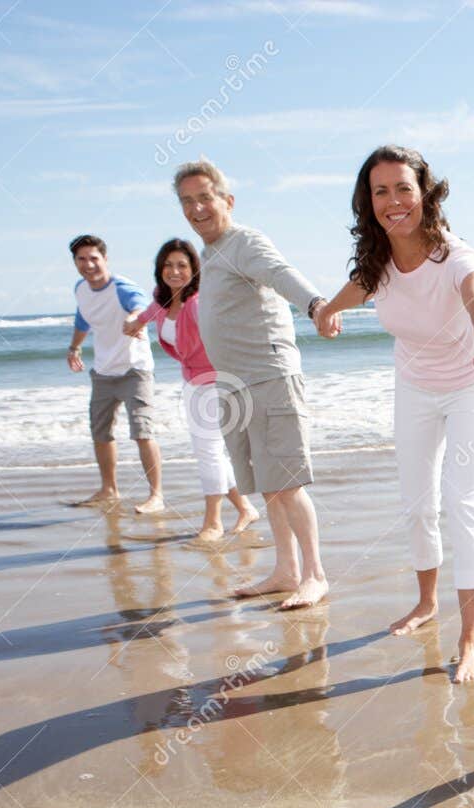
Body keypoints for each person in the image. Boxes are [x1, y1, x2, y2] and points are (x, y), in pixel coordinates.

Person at [317, 145, 474, 682]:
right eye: (380, 191)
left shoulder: (458, 256)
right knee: (418, 502)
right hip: (414, 388)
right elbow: (364, 284)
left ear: (425, 194)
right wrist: (328, 308)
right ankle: (426, 602)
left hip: (469, 385)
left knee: (463, 503)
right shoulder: (379, 260)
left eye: (403, 188)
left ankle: (471, 639)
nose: (393, 201)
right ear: (367, 201)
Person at [174, 160, 331, 609]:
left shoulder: (244, 241)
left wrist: (316, 304)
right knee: (266, 483)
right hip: (234, 388)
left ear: (227, 200)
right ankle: (285, 571)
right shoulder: (211, 252)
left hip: (269, 378)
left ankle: (315, 574)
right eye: (187, 201)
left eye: (205, 197)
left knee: (286, 482)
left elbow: (280, 274)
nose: (197, 208)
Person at [124, 238, 259, 543]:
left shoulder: (198, 303)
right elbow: (145, 317)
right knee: (210, 451)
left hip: (216, 382)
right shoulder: (162, 302)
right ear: (160, 270)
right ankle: (245, 507)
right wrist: (132, 322)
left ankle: (212, 522)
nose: (174, 271)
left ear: (193, 269)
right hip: (192, 383)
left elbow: (227, 331)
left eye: (182, 265)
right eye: (168, 265)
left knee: (208, 451)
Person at [66, 234, 164, 512]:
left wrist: (134, 318)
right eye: (81, 259)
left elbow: (141, 306)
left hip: (135, 370)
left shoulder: (122, 287)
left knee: (142, 432)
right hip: (103, 371)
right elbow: (83, 318)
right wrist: (74, 347)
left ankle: (156, 495)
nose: (89, 265)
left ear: (105, 259)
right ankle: (109, 489)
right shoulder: (81, 289)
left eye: (94, 258)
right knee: (100, 432)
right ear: (75, 262)